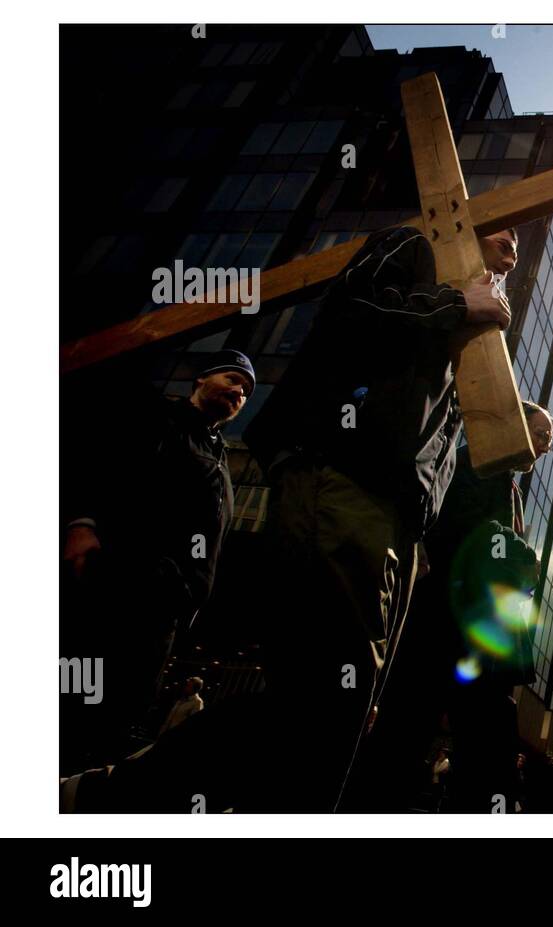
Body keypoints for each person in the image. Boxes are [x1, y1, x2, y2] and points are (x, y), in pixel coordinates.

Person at [240, 224, 517, 812]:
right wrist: (455, 301)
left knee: (335, 698)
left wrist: (417, 530)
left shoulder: (471, 339)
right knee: (322, 688)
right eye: (504, 225)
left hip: (394, 516)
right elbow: (352, 306)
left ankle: (122, 792)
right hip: (343, 474)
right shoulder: (412, 247)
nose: (515, 238)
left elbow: (434, 440)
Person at [353, 401, 553, 811]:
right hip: (447, 631)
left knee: (452, 743)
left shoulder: (504, 483)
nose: (545, 446)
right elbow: (462, 537)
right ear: (512, 425)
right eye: (540, 433)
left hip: (469, 638)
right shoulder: (473, 465)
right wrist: (522, 558)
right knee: (414, 738)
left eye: (549, 440)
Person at [60, 351, 254, 774]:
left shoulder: (218, 455)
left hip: (165, 608)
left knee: (119, 716)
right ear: (202, 379)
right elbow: (102, 468)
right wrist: (82, 522)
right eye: (232, 378)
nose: (240, 391)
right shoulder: (156, 419)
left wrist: (188, 599)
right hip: (123, 583)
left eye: (246, 390)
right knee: (78, 703)